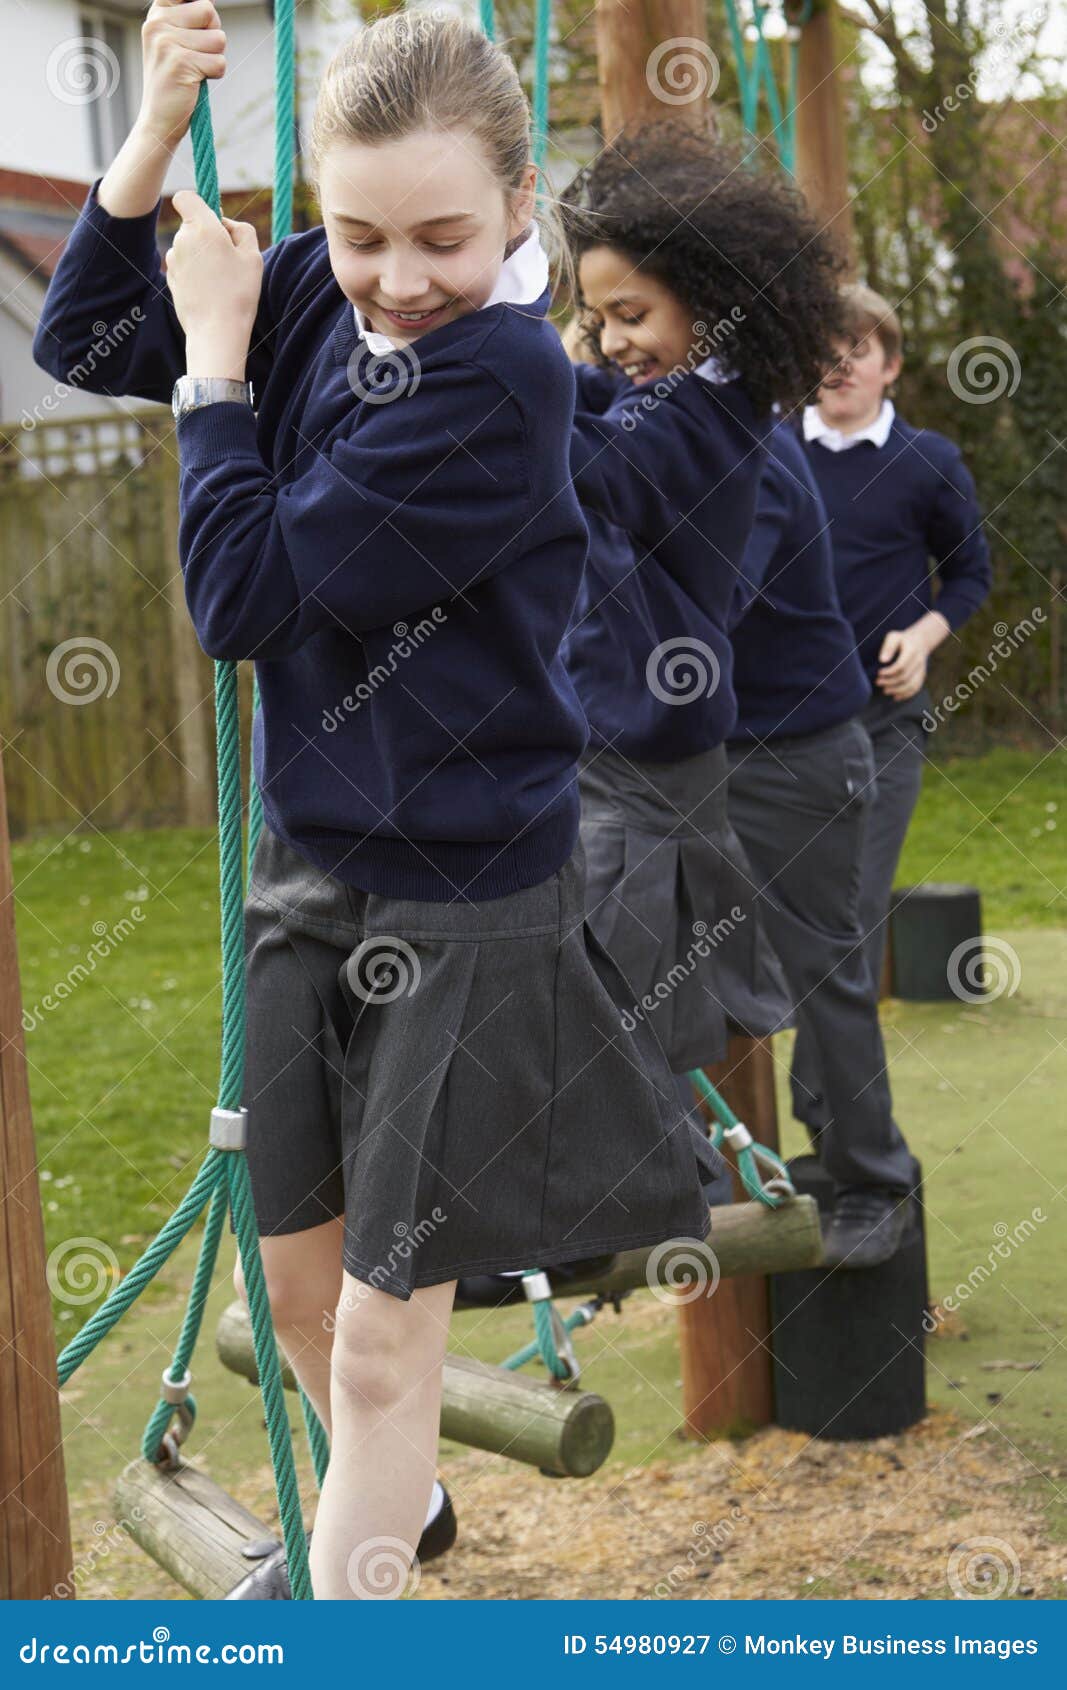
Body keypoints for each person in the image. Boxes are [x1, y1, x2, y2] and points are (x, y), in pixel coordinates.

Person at [34, 5, 713, 1599]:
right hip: (305, 864)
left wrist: (213, 369)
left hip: (464, 895)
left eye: (441, 238)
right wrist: (146, 145)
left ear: (515, 212)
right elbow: (77, 344)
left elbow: (246, 594)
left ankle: (354, 1612)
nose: (399, 277)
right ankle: (393, 1531)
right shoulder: (301, 308)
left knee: (384, 1346)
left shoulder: (499, 390)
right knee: (296, 1303)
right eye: (354, 236)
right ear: (318, 217)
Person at [460, 125, 846, 1308]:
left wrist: (493, 353)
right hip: (618, 743)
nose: (612, 340)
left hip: (650, 753)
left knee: (602, 982)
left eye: (632, 314)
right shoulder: (678, 394)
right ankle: (624, 1197)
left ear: (714, 306)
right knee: (596, 977)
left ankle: (606, 1218)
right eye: (598, 316)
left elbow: (588, 464)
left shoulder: (705, 415)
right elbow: (580, 406)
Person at [726, 420, 916, 1266]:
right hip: (682, 752)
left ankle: (870, 1176)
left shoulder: (747, 444)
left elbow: (712, 593)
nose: (616, 343)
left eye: (635, 317)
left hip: (793, 752)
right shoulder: (622, 427)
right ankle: (694, 1172)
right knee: (655, 965)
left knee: (823, 970)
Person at [799, 284, 993, 1007]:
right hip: (782, 727)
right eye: (824, 350)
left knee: (852, 912)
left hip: (884, 720)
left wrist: (921, 637)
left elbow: (970, 574)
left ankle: (835, 1110)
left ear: (890, 366)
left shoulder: (928, 460)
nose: (838, 364)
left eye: (857, 349)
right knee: (769, 911)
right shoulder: (769, 452)